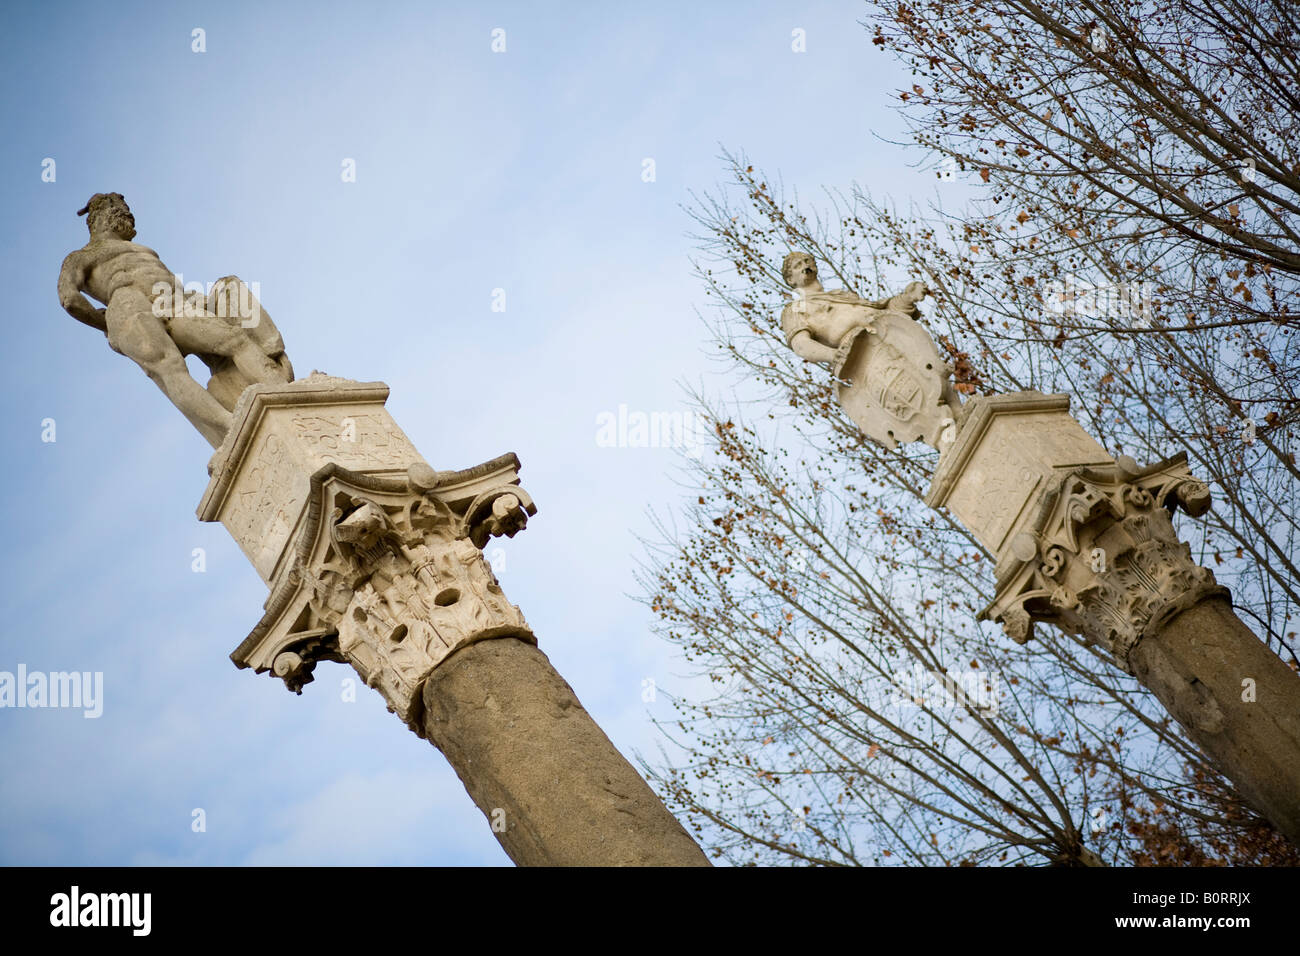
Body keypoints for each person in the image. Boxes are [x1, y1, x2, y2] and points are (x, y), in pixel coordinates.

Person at [57, 193, 291, 447]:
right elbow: (69, 298)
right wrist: (105, 324)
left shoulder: (143, 250)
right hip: (128, 304)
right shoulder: (81, 256)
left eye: (127, 209)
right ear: (100, 218)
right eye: (120, 209)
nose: (128, 214)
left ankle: (281, 389)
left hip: (174, 302)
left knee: (232, 332)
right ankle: (229, 429)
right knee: (171, 371)